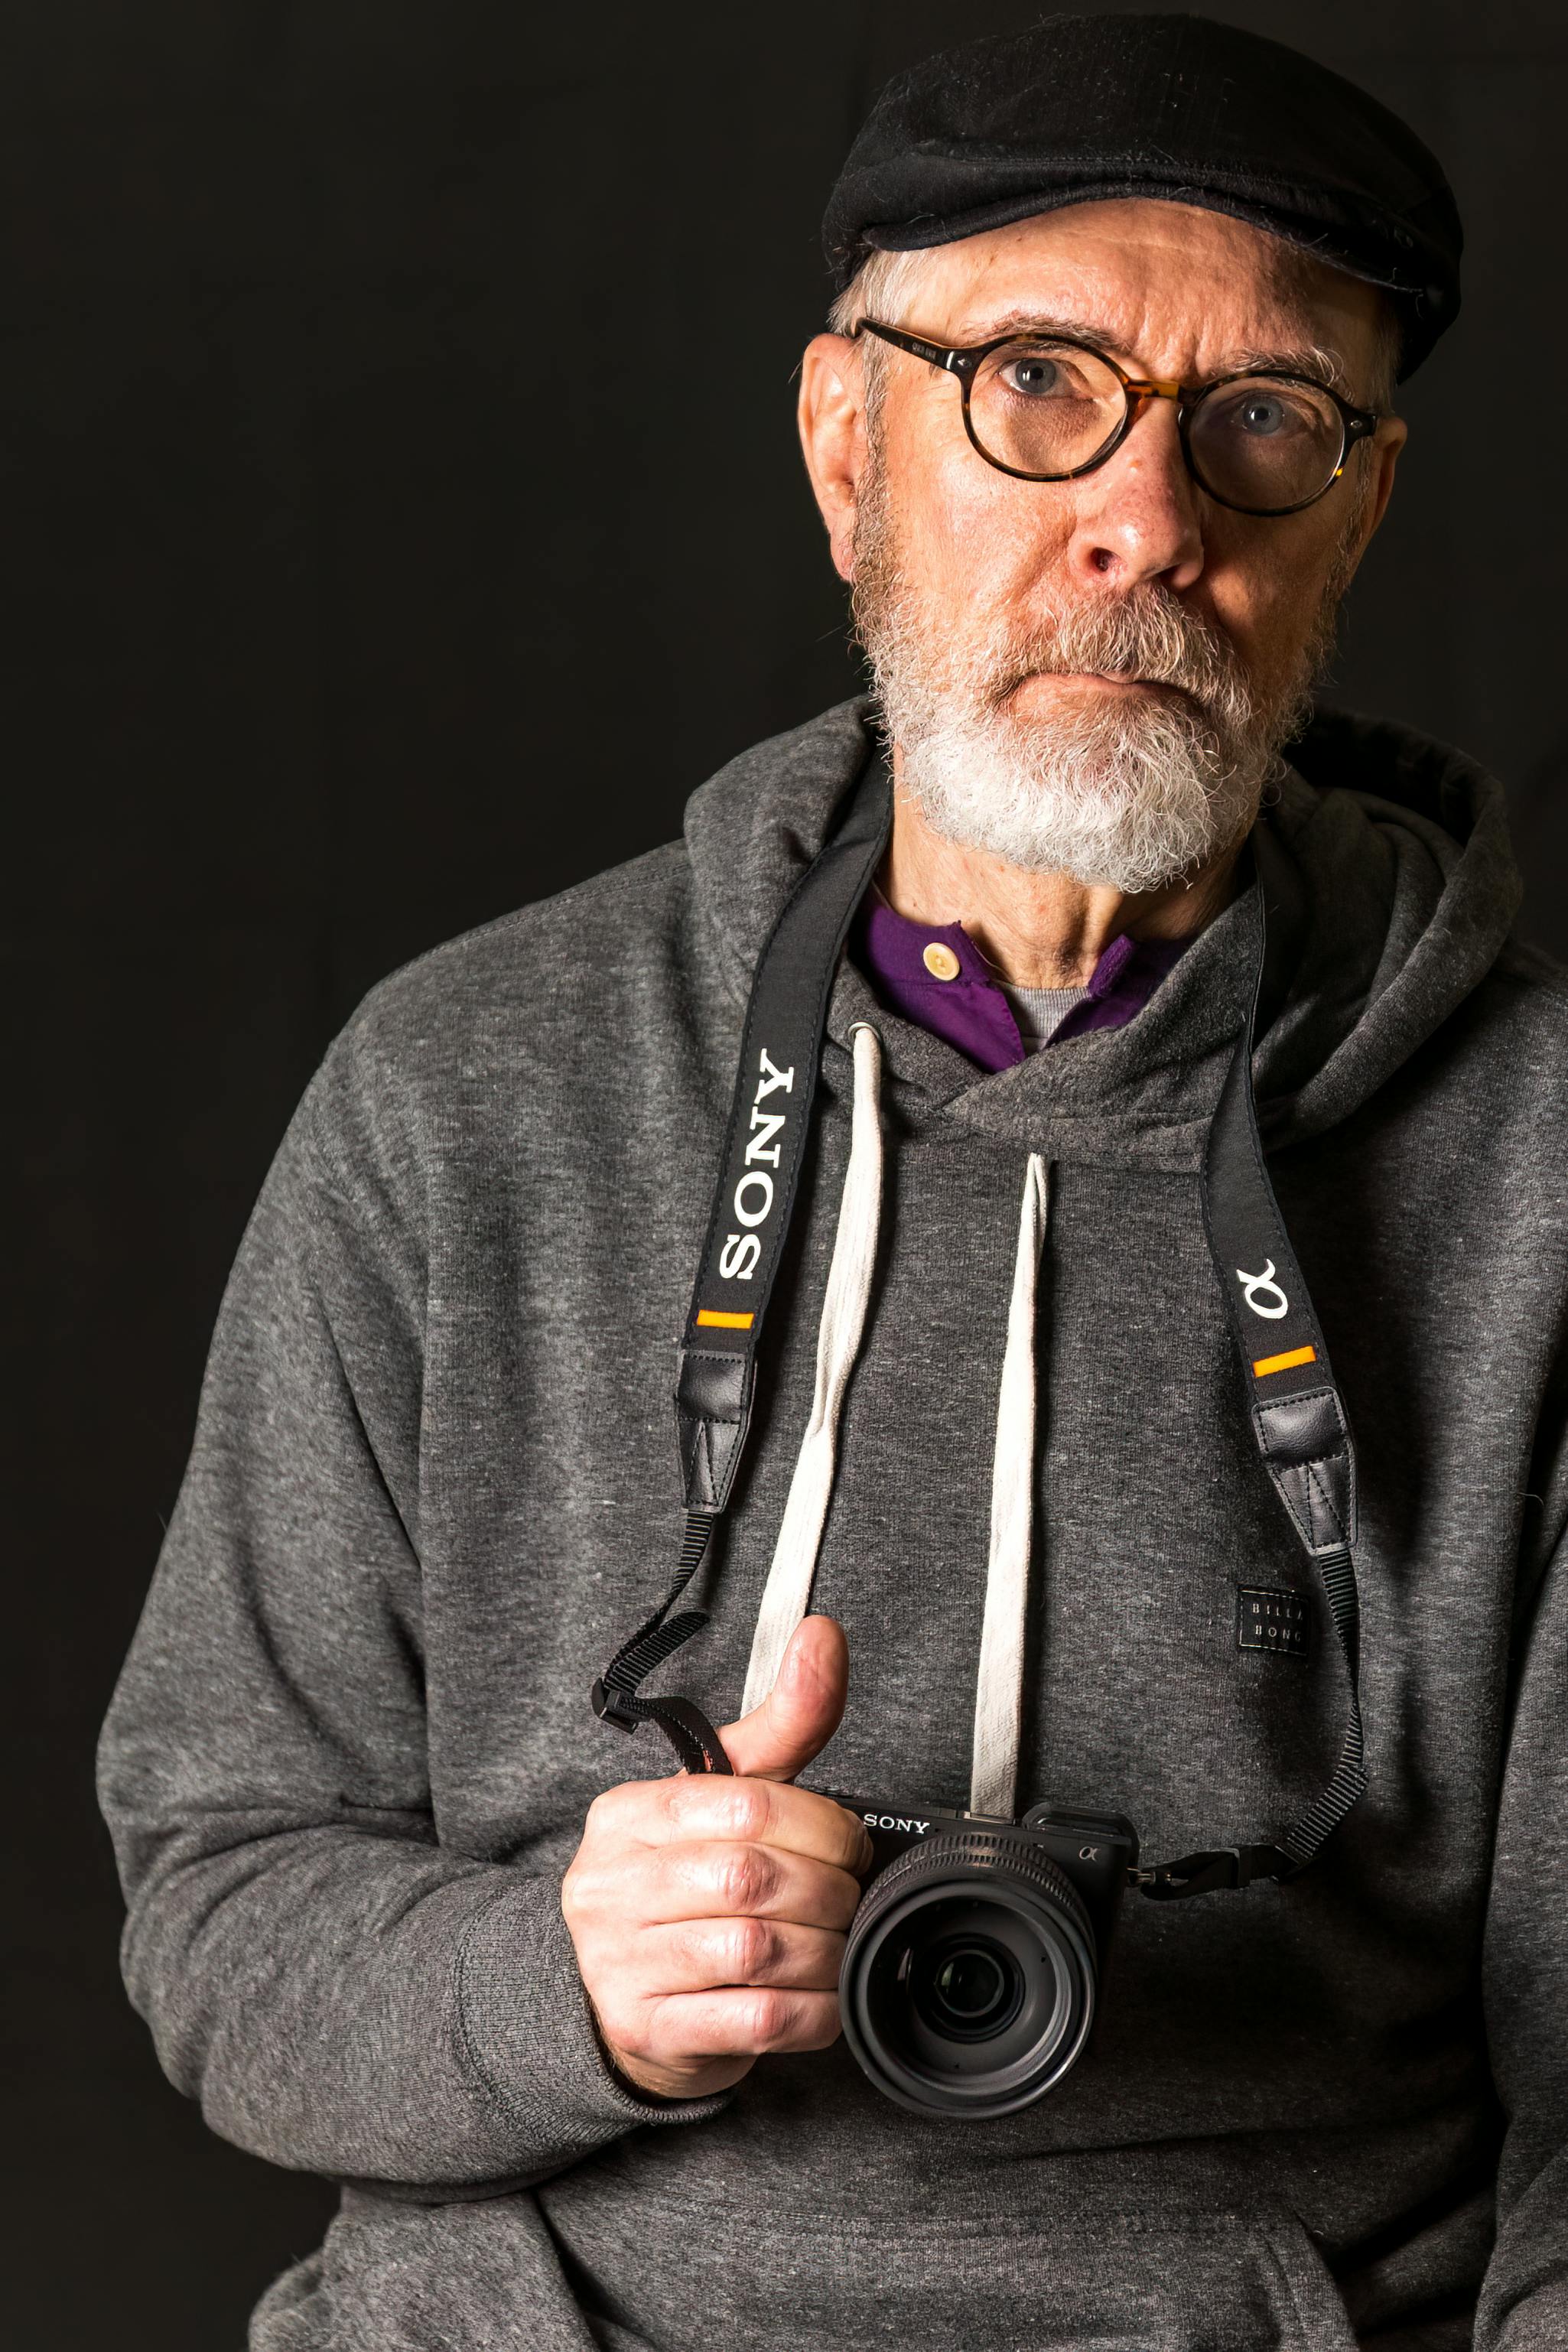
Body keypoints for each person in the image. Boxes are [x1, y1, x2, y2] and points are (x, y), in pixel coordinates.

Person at [97, 16, 1568, 2350]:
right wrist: (562, 1973)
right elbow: (219, 1903)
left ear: (1355, 514)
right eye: (1033, 381)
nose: (1148, 518)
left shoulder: (1536, 1173)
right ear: (843, 442)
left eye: (1261, 423)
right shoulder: (462, 1090)